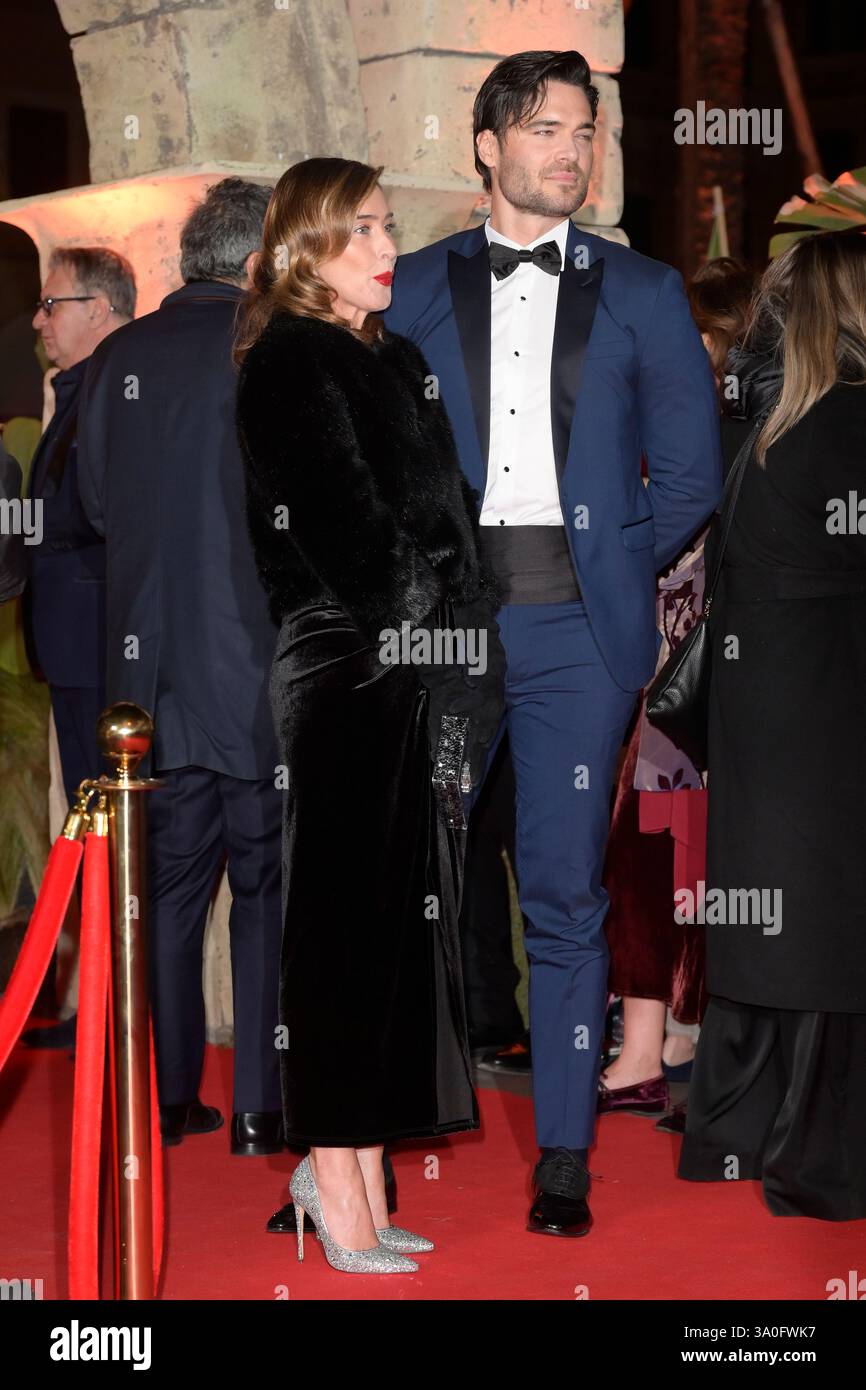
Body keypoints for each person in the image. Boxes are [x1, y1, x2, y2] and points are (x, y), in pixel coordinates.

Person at [384, 49, 722, 1238]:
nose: (570, 152)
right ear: (485, 146)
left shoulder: (640, 288)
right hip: (444, 634)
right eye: (544, 130)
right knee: (402, 887)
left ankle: (565, 1153)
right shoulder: (408, 285)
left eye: (584, 132)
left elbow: (687, 472)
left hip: (579, 632)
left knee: (566, 894)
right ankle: (357, 1156)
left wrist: (604, 558)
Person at [235, 157, 504, 1273]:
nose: (386, 248)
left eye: (388, 227)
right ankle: (332, 1174)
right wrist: (434, 628)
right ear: (304, 247)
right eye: (359, 232)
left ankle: (363, 1169)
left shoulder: (386, 354)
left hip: (412, 667)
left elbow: (449, 514)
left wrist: (461, 641)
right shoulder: (289, 359)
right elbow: (356, 541)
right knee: (344, 938)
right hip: (346, 670)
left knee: (399, 931)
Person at [77, 179, 286, 1154]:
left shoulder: (116, 358)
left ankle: (165, 1100)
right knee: (266, 890)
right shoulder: (275, 352)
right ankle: (257, 1106)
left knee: (162, 892)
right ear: (257, 262)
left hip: (146, 684)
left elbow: (98, 510)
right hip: (255, 677)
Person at [679, 229, 866, 1220]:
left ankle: (737, 1126)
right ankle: (813, 1148)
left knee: (763, 905)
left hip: (759, 702)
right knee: (827, 914)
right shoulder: (843, 423)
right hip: (823, 700)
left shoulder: (763, 420)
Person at [599, 258, 758, 1121]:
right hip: (717, 694)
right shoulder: (751, 427)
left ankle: (639, 1053)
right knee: (683, 863)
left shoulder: (706, 435)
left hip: (672, 694)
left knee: (646, 860)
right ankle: (672, 1036)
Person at [21, 246, 136, 1051]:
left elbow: (103, 519)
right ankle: (92, 1005)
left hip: (99, 644)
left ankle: (107, 1010)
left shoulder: (111, 393)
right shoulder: (79, 393)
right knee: (90, 826)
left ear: (99, 309)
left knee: (106, 827)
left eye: (51, 303)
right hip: (75, 643)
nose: (38, 321)